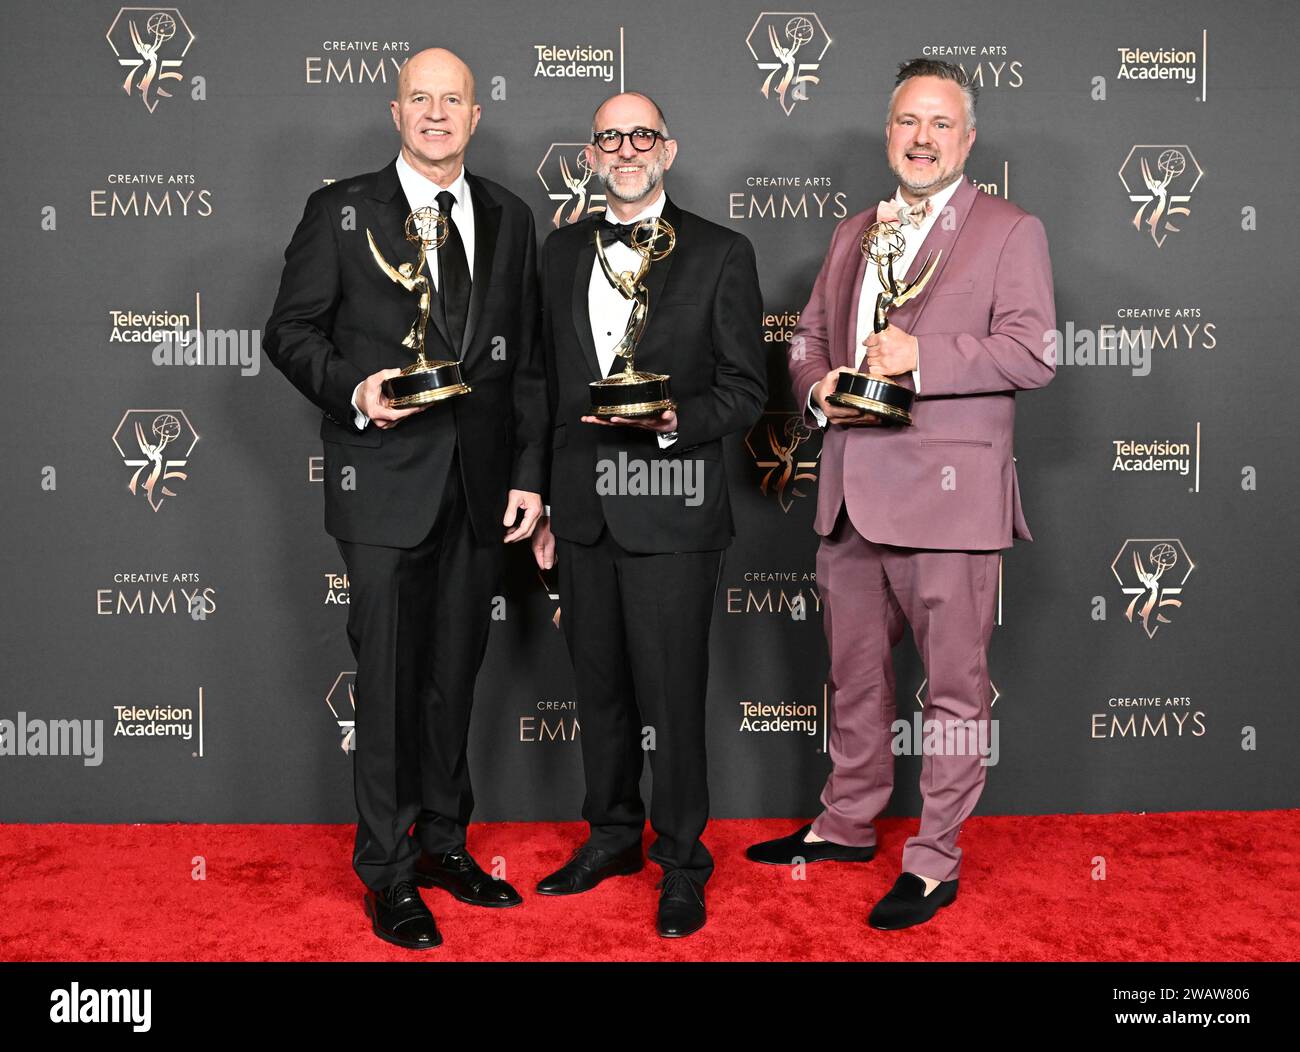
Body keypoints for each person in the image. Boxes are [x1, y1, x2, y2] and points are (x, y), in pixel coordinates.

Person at [747, 58, 1056, 930]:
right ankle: (847, 823)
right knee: (853, 680)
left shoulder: (1009, 229)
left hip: (950, 505)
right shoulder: (853, 233)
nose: (920, 140)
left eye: (939, 124)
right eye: (906, 123)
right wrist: (819, 390)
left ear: (967, 138)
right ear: (889, 133)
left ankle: (934, 857)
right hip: (849, 492)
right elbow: (807, 336)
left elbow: (1033, 354)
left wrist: (921, 358)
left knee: (954, 696)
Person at [264, 47, 547, 950]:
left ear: (475, 114)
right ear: (395, 113)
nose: (436, 114)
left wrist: (530, 474)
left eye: (452, 100)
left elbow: (530, 365)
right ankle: (386, 875)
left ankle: (442, 845)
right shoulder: (339, 211)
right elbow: (289, 331)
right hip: (381, 486)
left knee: (451, 679)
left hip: (477, 490)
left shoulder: (509, 214)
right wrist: (354, 389)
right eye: (420, 99)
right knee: (386, 683)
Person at [530, 91, 765, 938]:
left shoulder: (720, 252)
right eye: (609, 139)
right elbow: (544, 390)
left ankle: (682, 862)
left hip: (674, 512)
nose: (625, 150)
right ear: (590, 157)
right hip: (585, 512)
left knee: (673, 694)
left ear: (667, 148)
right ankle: (612, 837)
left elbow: (746, 388)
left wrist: (673, 423)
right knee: (598, 692)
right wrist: (548, 499)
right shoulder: (558, 253)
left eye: (641, 136)